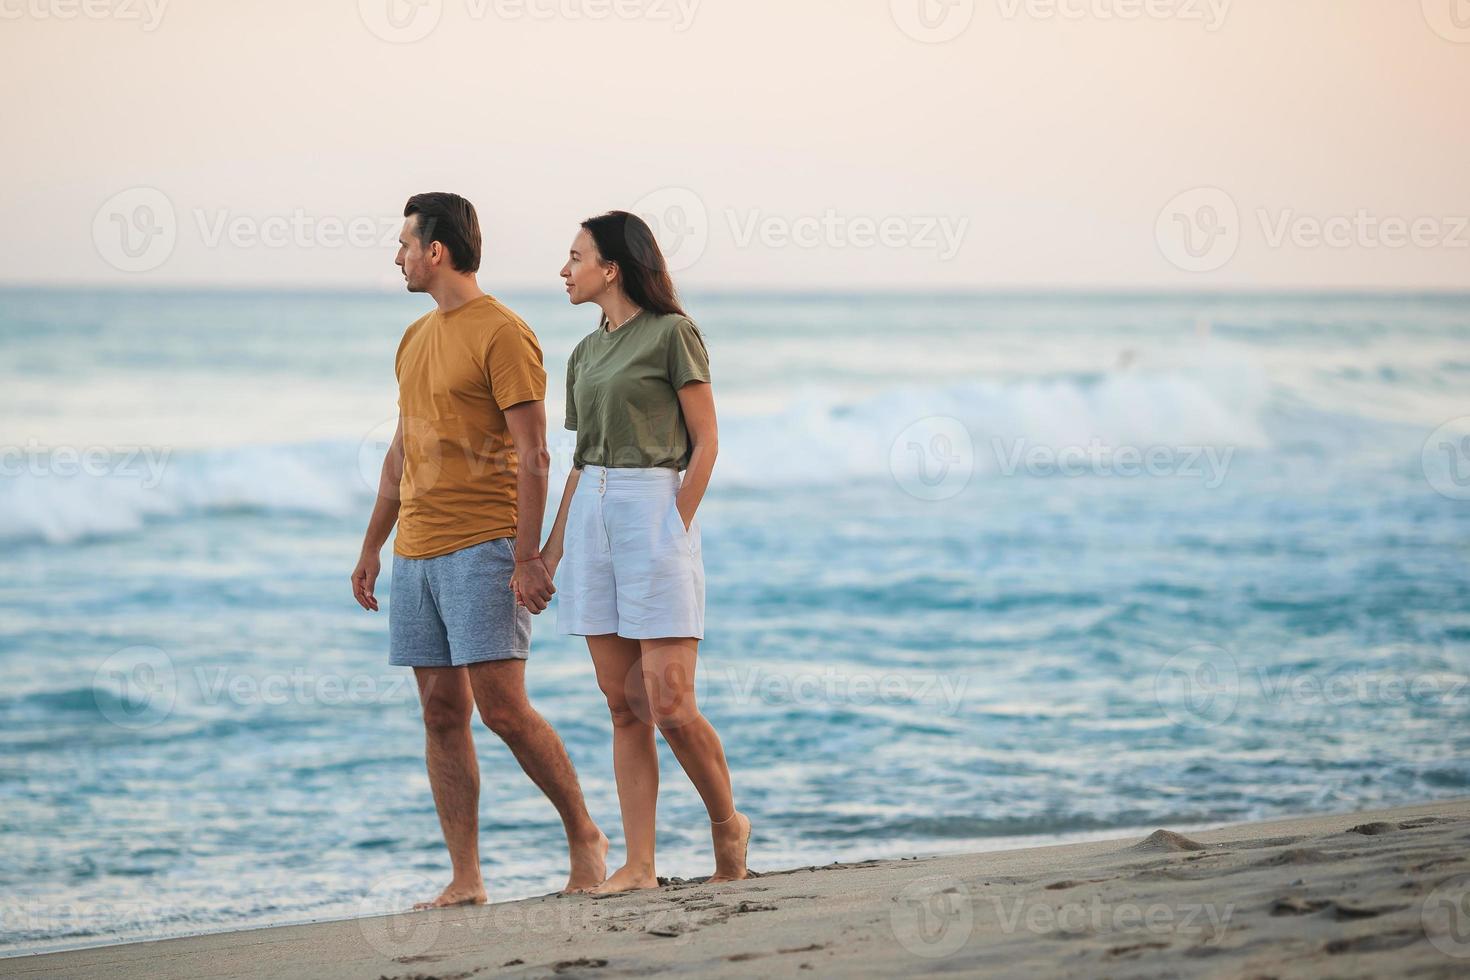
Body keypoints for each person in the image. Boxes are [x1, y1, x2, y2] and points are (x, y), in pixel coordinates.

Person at [352, 192, 607, 906]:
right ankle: (465, 877)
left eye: (405, 242)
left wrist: (528, 556)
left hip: (483, 546)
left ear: (437, 251)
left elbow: (535, 454)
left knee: (502, 708)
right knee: (440, 712)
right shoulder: (413, 338)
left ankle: (585, 835)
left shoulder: (503, 331)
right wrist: (373, 545)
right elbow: (402, 450)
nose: (397, 255)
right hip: (418, 552)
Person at [530, 210, 750, 895]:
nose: (564, 271)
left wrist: (674, 521)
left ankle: (728, 828)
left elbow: (706, 440)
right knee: (624, 705)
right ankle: (640, 865)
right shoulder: (583, 354)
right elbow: (579, 460)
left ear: (612, 267)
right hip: (593, 511)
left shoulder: (672, 335)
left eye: (574, 258)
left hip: (652, 506)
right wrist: (549, 551)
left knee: (672, 702)